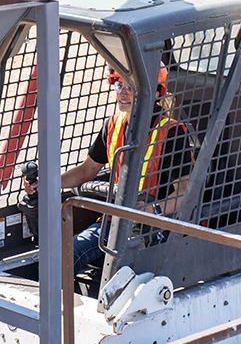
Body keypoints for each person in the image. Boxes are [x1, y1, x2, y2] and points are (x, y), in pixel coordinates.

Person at [27, 65, 193, 272]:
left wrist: (151, 210)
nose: (122, 93)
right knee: (61, 257)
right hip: (115, 220)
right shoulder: (113, 125)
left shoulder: (171, 133)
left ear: (154, 92)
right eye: (118, 85)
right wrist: (49, 183)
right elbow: (86, 171)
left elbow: (185, 191)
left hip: (154, 228)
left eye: (130, 88)